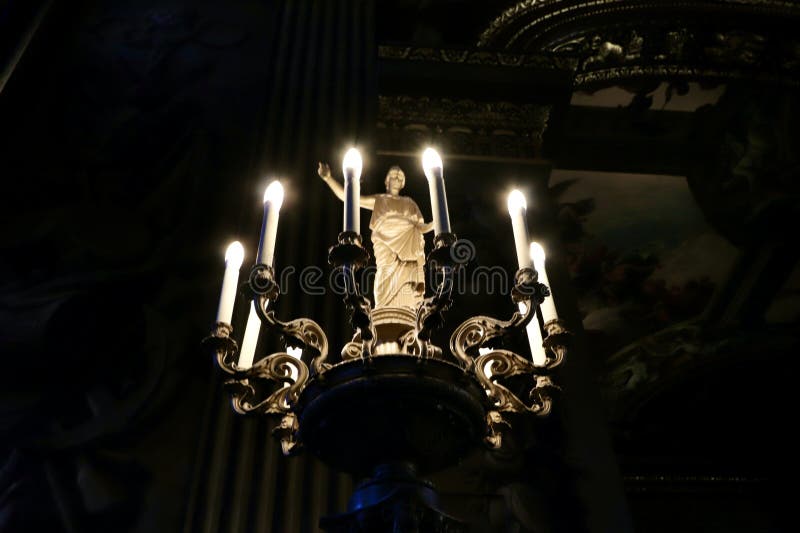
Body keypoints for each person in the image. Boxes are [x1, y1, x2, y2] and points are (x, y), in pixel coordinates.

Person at [318, 162, 434, 308]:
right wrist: (328, 178)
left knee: (408, 295)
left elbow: (420, 227)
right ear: (387, 181)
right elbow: (348, 197)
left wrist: (437, 223)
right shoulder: (380, 200)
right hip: (385, 249)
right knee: (384, 282)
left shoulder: (410, 203)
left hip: (408, 253)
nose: (397, 178)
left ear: (403, 182)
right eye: (394, 175)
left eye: (400, 177)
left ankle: (408, 319)